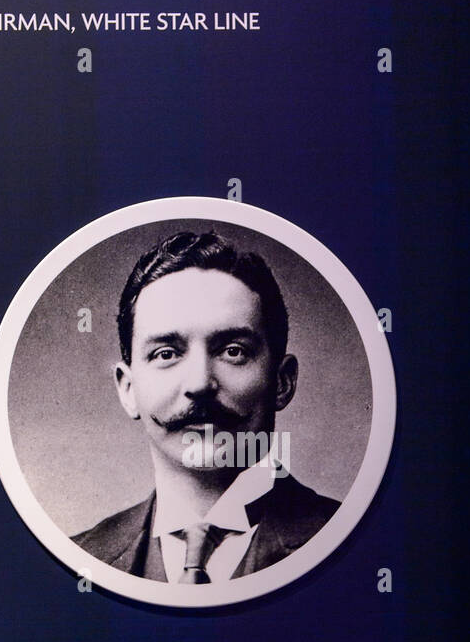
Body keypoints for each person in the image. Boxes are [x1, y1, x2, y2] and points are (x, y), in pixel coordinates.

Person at [72, 230, 339, 583]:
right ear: (128, 389)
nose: (200, 383)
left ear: (282, 381)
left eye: (233, 351)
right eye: (166, 354)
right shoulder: (81, 559)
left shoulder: (353, 541)